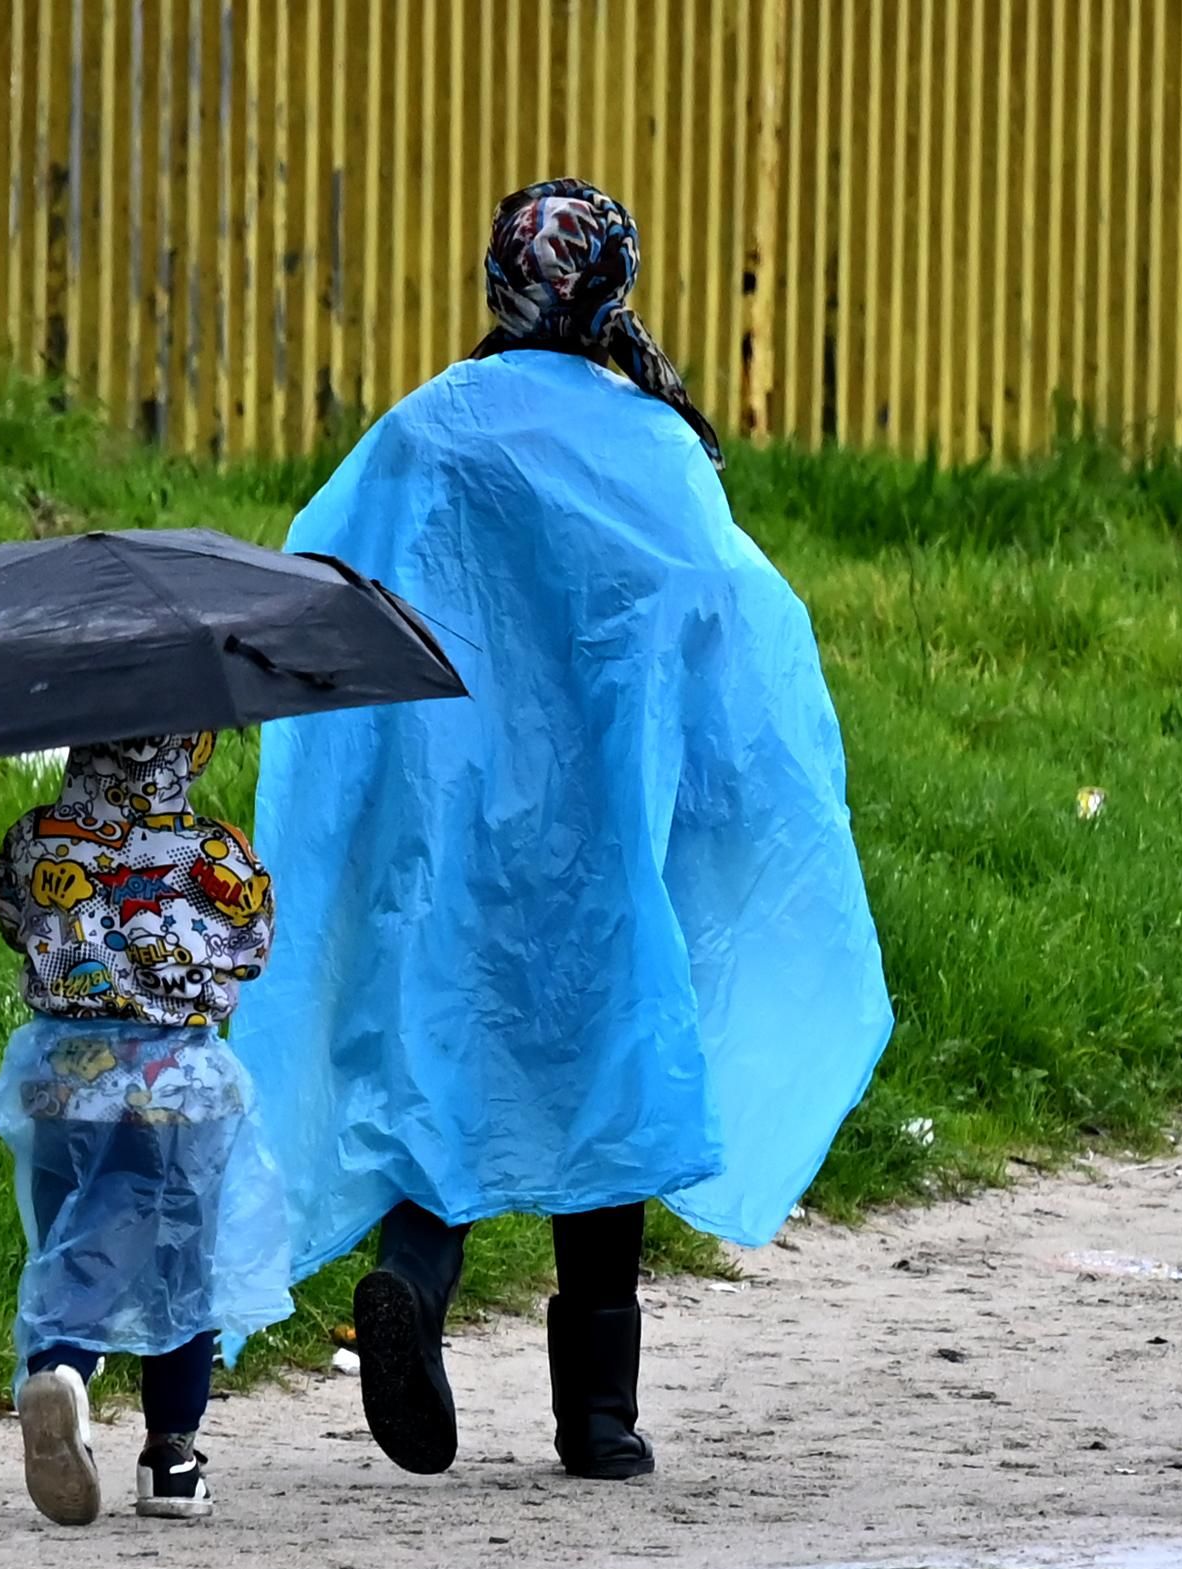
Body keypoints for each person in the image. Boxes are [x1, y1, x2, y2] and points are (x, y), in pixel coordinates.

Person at [234, 180, 891, 1481]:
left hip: (446, 831)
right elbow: (724, 616)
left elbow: (331, 589)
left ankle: (414, 1274)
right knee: (611, 1074)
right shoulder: (647, 443)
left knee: (441, 1062)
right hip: (599, 833)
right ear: (609, 292)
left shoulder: (425, 432)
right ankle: (597, 1417)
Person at [0, 733, 292, 1525]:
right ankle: (159, 1445)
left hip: (60, 1076)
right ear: (190, 746)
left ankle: (65, 1371)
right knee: (179, 1258)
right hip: (175, 1087)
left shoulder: (35, 837)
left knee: (71, 1230)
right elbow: (252, 948)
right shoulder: (214, 852)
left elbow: (14, 918)